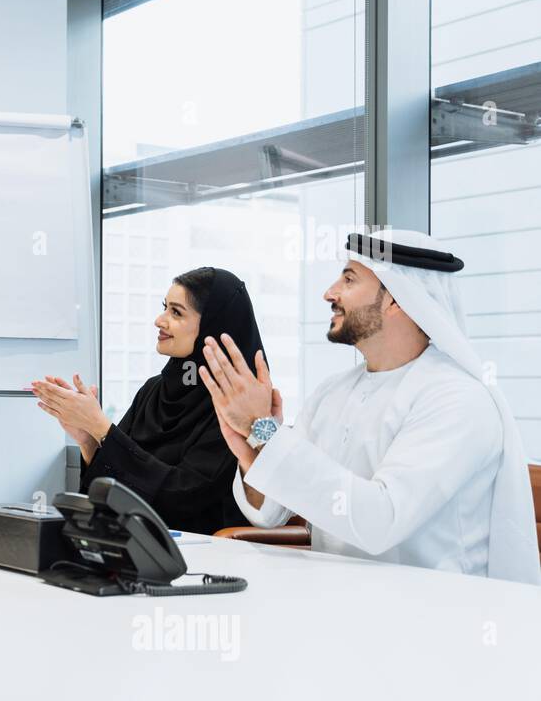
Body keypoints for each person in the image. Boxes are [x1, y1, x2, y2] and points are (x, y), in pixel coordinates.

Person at [199, 230, 540, 585]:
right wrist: (253, 448)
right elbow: (269, 513)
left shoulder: (458, 400)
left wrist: (264, 431)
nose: (329, 293)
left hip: (436, 616)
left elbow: (380, 520)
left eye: (349, 279)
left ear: (395, 298)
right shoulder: (332, 392)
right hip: (341, 601)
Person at [31, 268, 264, 535]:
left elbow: (183, 497)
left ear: (214, 324)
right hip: (133, 544)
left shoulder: (239, 405)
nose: (159, 320)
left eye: (176, 312)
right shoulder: (154, 390)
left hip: (208, 554)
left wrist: (101, 428)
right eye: (165, 308)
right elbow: (118, 482)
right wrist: (88, 440)